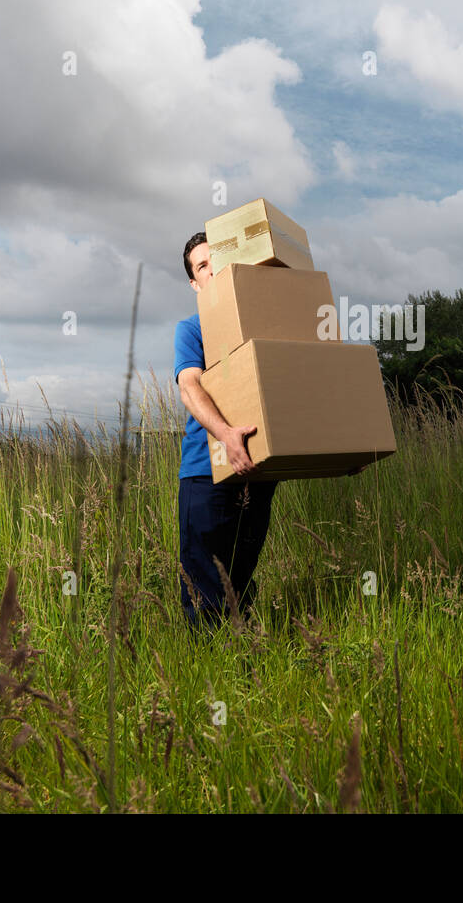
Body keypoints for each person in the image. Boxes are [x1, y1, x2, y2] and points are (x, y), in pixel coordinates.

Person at [173, 231, 278, 633]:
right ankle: (206, 679)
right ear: (194, 283)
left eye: (215, 261)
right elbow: (189, 386)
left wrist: (341, 451)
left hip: (258, 470)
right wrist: (225, 434)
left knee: (241, 585)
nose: (211, 270)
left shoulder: (258, 326)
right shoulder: (192, 328)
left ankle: (245, 671)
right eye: (201, 266)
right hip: (207, 472)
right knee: (206, 591)